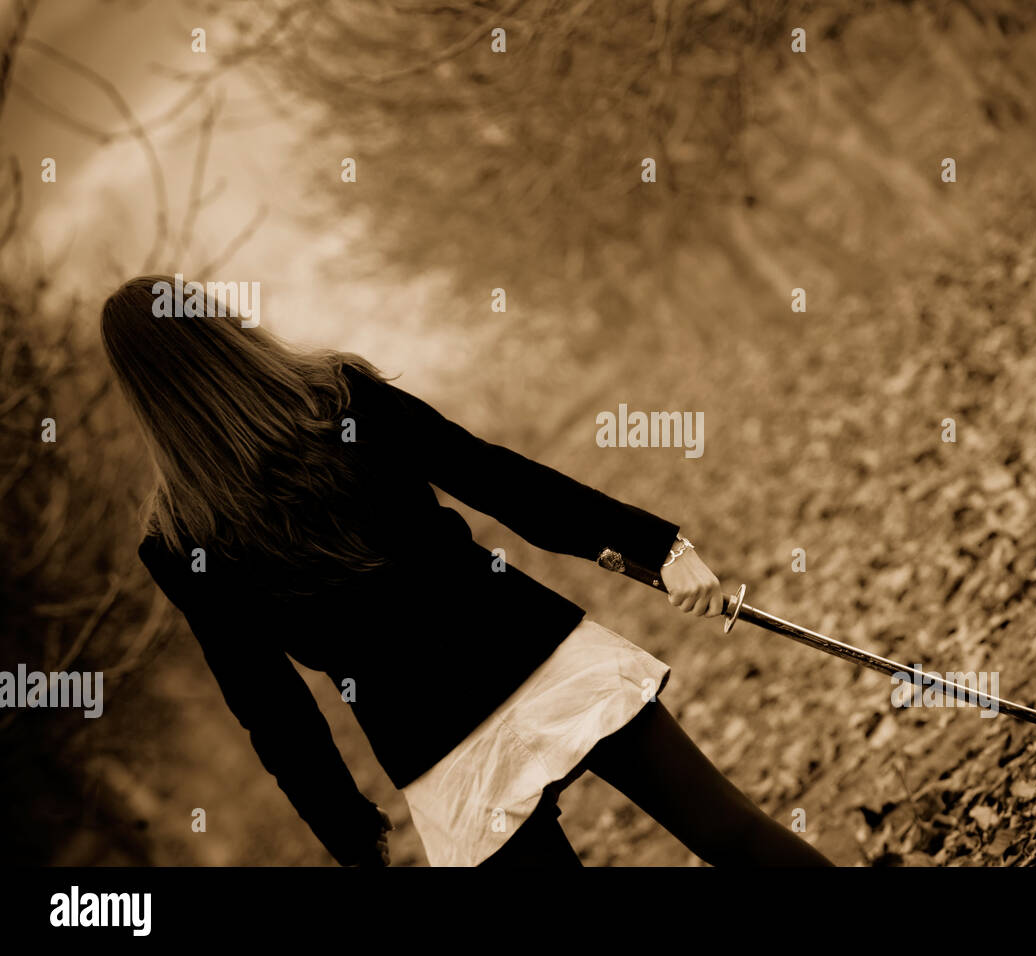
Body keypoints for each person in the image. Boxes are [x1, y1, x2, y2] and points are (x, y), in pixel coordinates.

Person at [102, 275, 833, 867]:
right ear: (221, 325)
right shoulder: (337, 397)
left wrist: (350, 832)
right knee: (732, 835)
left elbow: (270, 703)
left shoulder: (177, 541)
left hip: (432, 744)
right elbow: (498, 480)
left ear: (144, 398)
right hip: (535, 653)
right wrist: (660, 549)